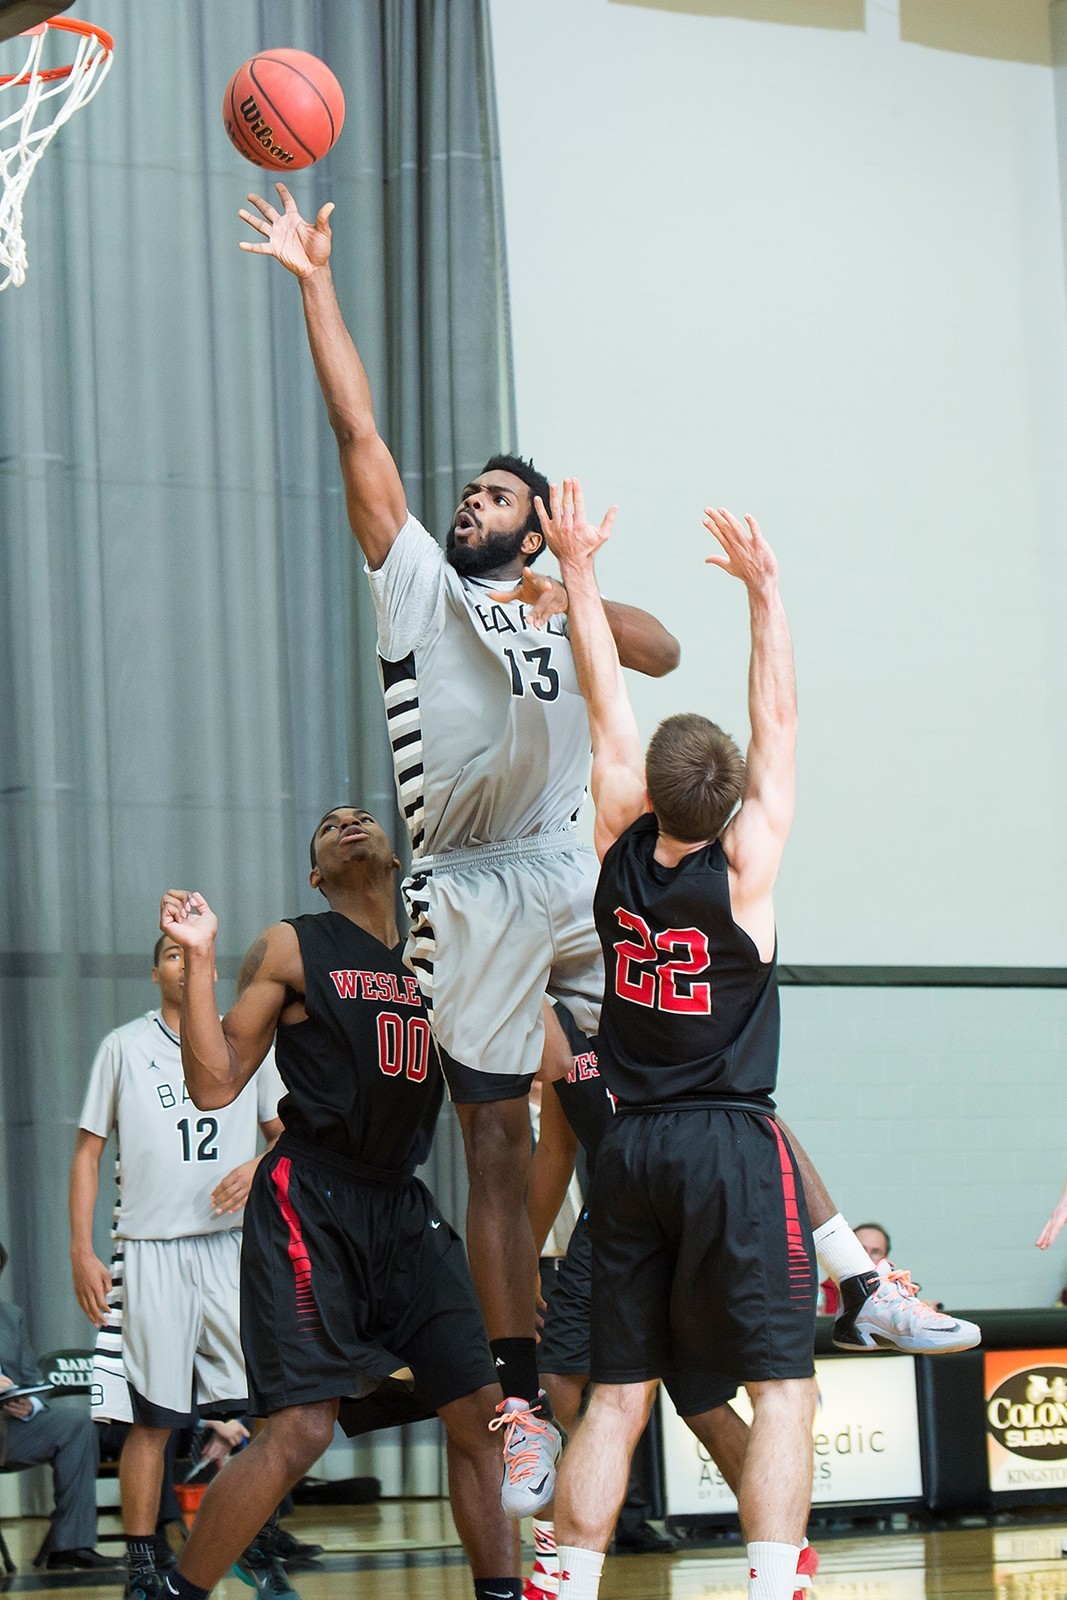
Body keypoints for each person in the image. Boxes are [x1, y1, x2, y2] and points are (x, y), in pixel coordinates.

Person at [237, 181, 680, 1513]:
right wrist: (315, 280)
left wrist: (577, 582)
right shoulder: (422, 584)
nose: (476, 502)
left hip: (571, 875)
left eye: (501, 495)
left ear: (535, 527)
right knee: (491, 1142)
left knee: (672, 1086)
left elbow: (657, 652)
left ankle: (810, 1262)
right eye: (474, 493)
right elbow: (356, 430)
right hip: (472, 889)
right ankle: (512, 1389)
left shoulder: (557, 601)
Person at [532, 486, 821, 1600]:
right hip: (727, 1142)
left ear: (649, 790)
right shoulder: (744, 863)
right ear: (732, 797)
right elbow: (779, 722)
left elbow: (607, 696)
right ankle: (768, 1582)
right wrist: (765, 594)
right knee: (783, 1388)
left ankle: (564, 1580)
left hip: (630, 1147)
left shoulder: (615, 833)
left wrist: (581, 572)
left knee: (616, 1392)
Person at [155, 804, 522, 1600]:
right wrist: (202, 959)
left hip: (400, 1204)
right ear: (316, 873)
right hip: (310, 1198)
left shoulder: (440, 954)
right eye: (329, 825)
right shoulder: (294, 943)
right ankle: (171, 1592)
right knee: (301, 1429)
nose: (349, 822)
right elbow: (215, 1085)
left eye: (362, 817)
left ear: (395, 860)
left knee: (481, 1409)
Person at [69, 934, 285, 1600]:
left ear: (213, 966)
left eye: (193, 955)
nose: (184, 963)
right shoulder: (122, 1047)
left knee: (274, 1413)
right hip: (150, 1249)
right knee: (152, 1421)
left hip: (229, 1247)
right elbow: (87, 1154)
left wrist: (257, 1166)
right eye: (169, 953)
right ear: (156, 968)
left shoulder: (247, 1042)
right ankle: (141, 1568)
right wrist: (81, 1249)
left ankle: (252, 1543)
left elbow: (290, 1134)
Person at [0, 1241, 112, 1571]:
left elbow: (31, 1376)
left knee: (76, 1424)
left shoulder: (9, 1316)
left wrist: (29, 1404)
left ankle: (70, 1546)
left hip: (11, 1429)